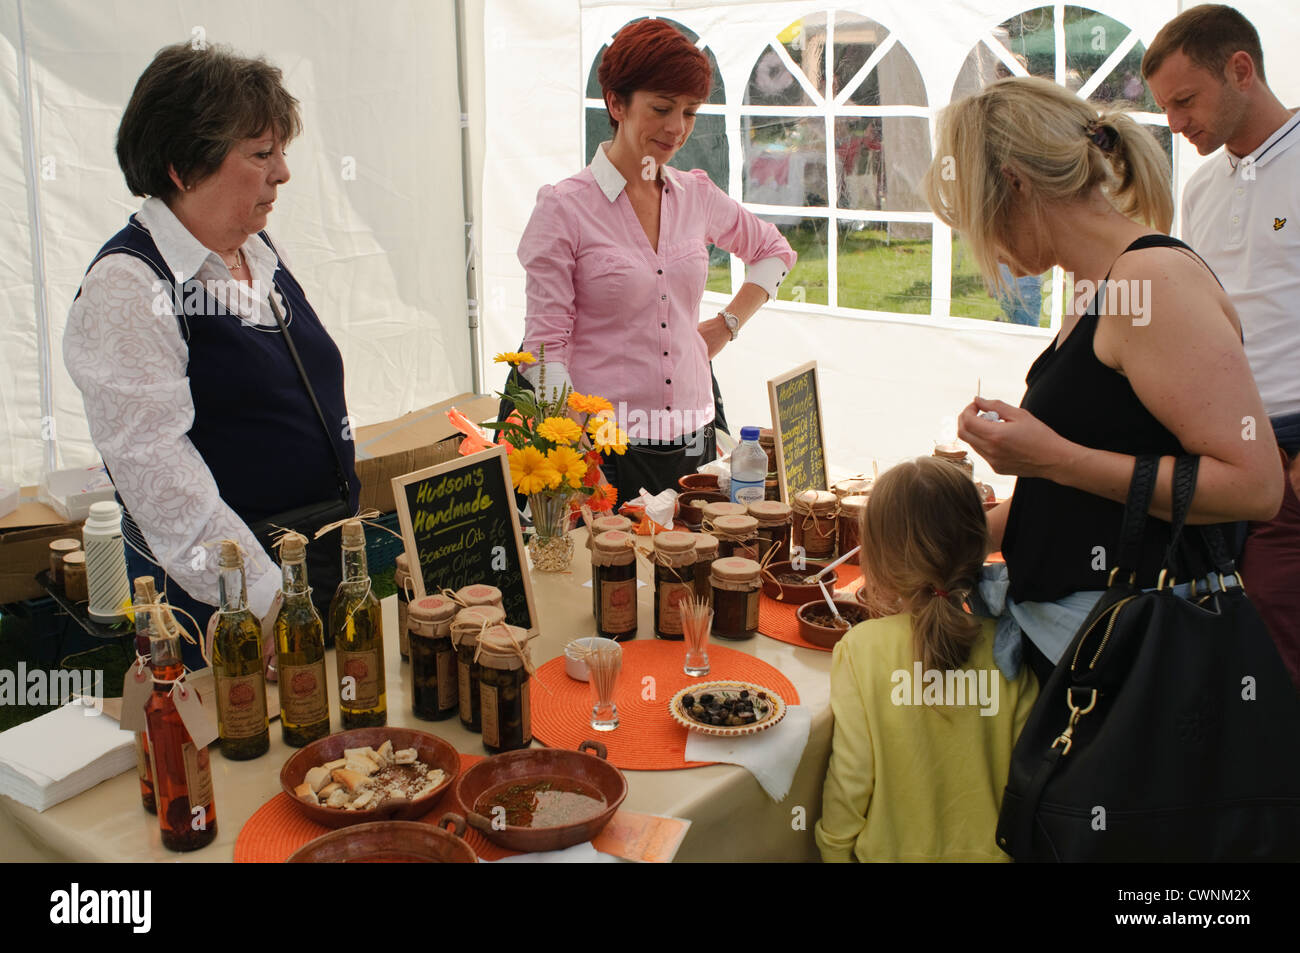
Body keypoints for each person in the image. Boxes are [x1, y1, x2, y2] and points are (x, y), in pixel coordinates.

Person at [921, 76, 1281, 681]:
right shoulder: (1095, 286)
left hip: (1138, 663)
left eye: (977, 219)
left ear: (1015, 183)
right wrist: (955, 540)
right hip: (1085, 646)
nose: (981, 244)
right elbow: (1097, 482)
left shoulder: (1154, 284)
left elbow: (1254, 487)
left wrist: (1053, 457)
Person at [64, 43, 359, 670]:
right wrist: (273, 605)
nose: (283, 172)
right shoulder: (130, 283)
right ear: (183, 167)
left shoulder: (254, 250)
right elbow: (160, 477)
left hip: (311, 567)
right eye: (260, 154)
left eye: (281, 151)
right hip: (225, 612)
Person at [516, 19, 796, 505]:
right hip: (604, 447)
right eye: (662, 108)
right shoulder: (564, 208)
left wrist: (727, 324)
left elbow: (775, 253)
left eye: (689, 112)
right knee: (619, 577)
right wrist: (569, 435)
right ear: (616, 103)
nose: (677, 129)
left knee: (696, 571)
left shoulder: (696, 196)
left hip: (694, 436)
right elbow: (545, 347)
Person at [1143, 5, 1300, 685]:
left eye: (1185, 101)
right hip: (1212, 453)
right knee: (1226, 635)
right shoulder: (1200, 186)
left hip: (1291, 448)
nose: (1175, 124)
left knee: (1277, 630)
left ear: (1242, 70)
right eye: (1166, 109)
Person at [815, 458, 1039, 862]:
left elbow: (851, 777)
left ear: (877, 560)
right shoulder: (1013, 645)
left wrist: (832, 849)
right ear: (979, 545)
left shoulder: (861, 649)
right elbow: (1027, 776)